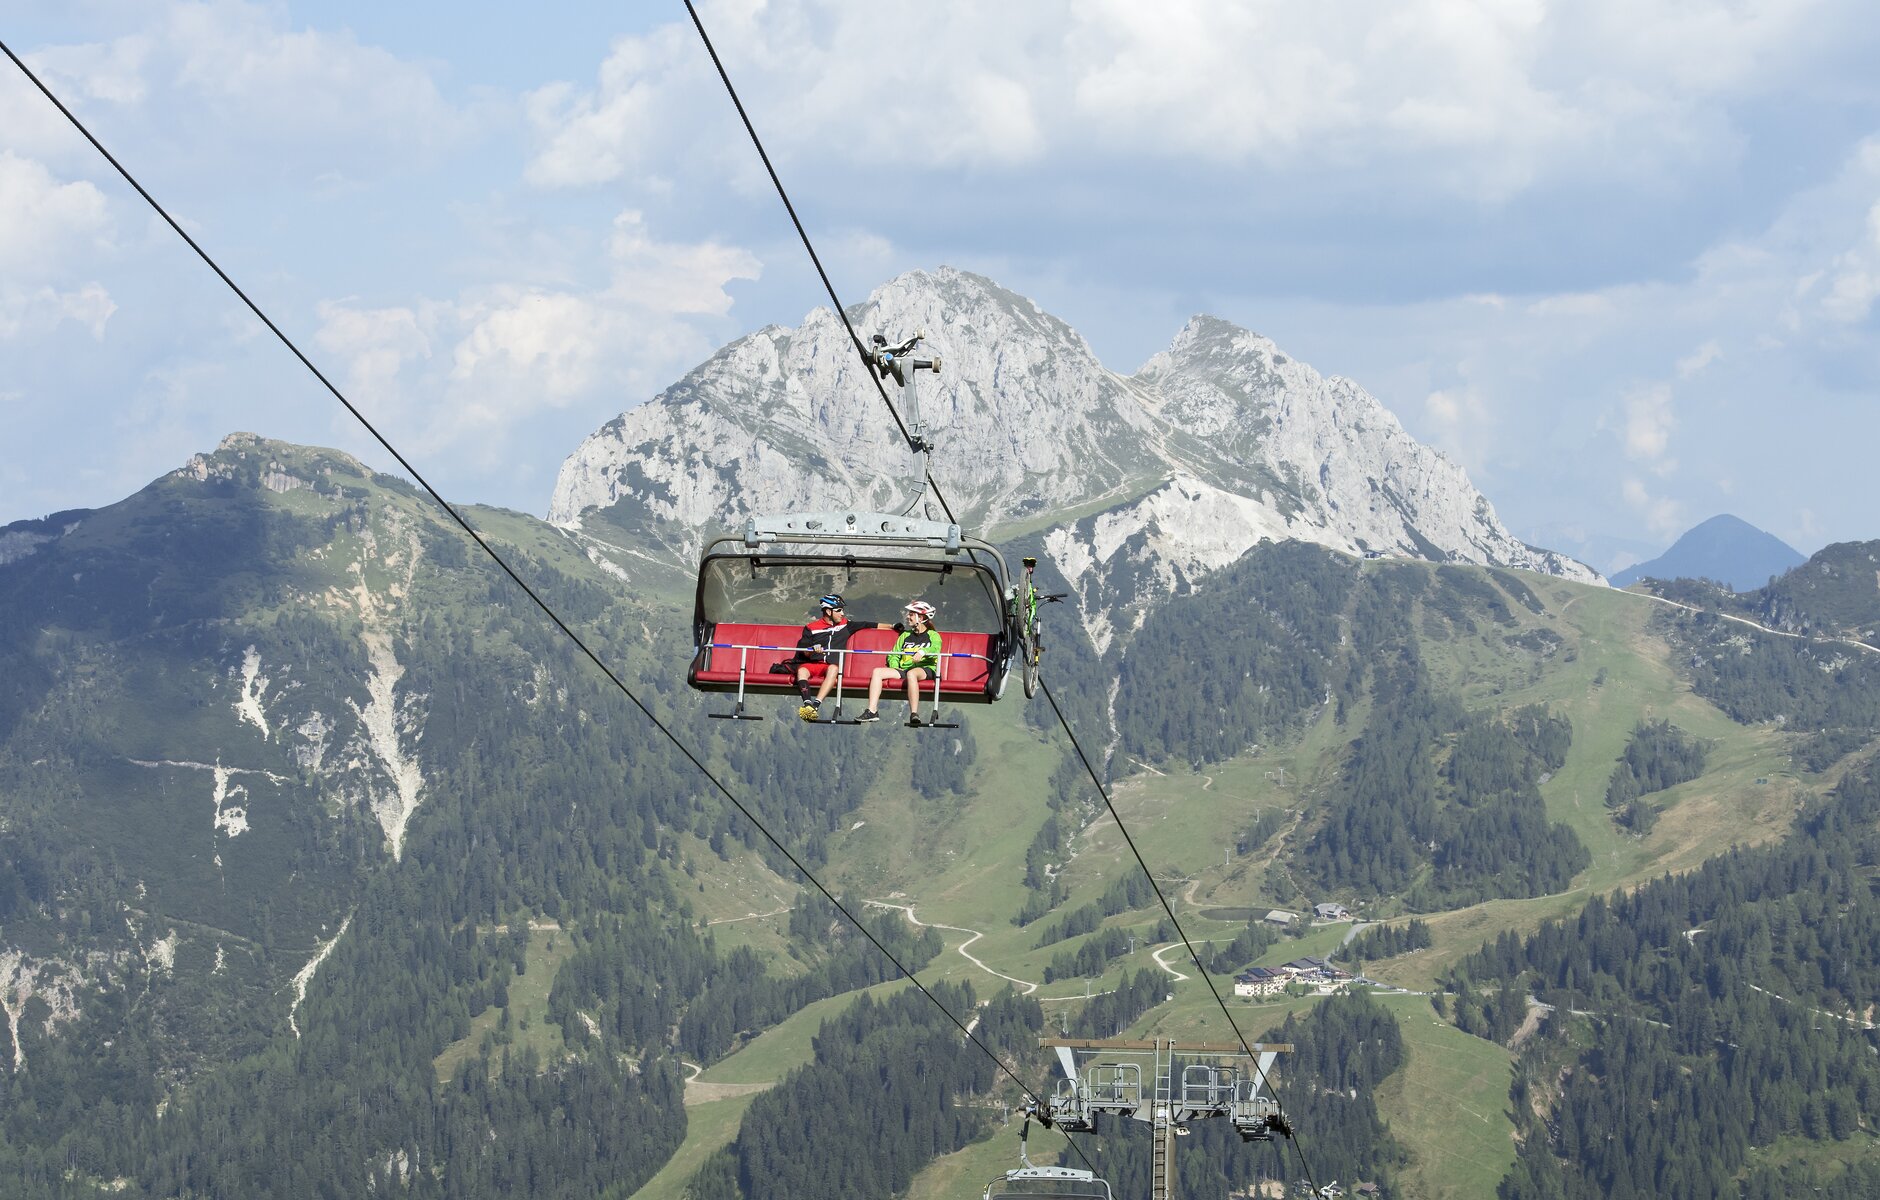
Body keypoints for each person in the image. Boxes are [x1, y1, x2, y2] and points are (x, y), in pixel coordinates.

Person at [788, 595, 897, 721]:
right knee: (802, 670)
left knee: (834, 669)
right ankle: (807, 703)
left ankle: (816, 705)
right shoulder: (811, 628)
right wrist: (812, 650)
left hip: (830, 667)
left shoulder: (846, 625)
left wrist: (892, 626)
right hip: (814, 663)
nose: (842, 613)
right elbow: (804, 652)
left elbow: (868, 624)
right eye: (839, 610)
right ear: (828, 611)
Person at [857, 601, 942, 726]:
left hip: (925, 668)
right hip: (905, 669)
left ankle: (914, 713)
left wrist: (923, 652)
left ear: (921, 618)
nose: (908, 617)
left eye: (911, 614)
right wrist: (894, 666)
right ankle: (872, 710)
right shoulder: (905, 635)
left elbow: (936, 648)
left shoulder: (933, 635)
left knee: (912, 674)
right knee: (877, 672)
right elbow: (894, 654)